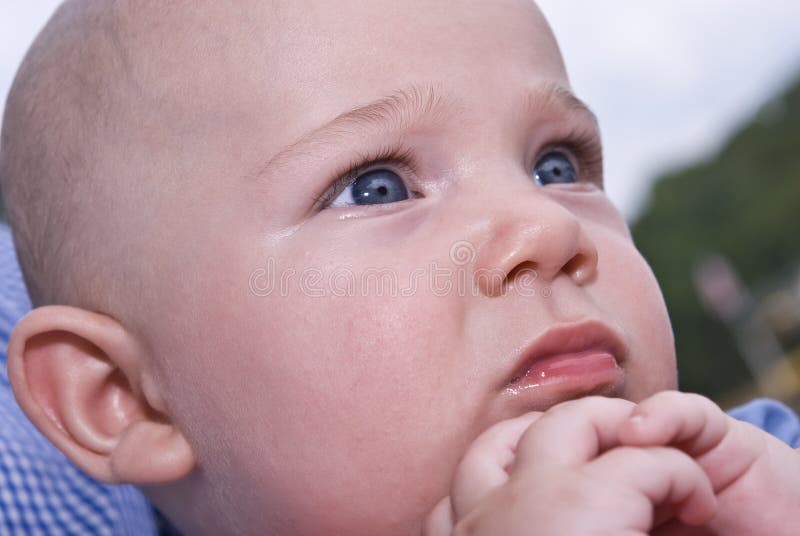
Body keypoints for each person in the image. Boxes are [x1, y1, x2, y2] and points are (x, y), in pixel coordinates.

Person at [1, 0, 798, 534]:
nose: (547, 226)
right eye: (375, 186)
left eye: (556, 165)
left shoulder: (751, 478)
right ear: (127, 398)